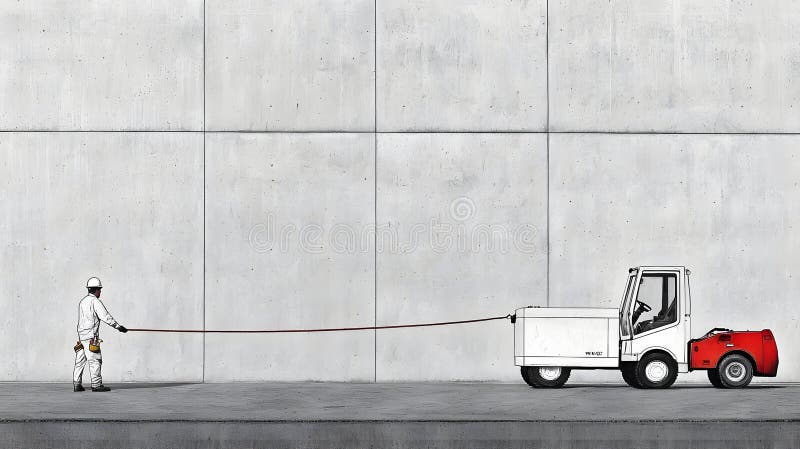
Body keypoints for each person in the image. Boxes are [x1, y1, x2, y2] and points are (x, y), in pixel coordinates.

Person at [73, 277, 128, 392]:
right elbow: (105, 316)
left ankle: (77, 384)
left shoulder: (83, 301)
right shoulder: (95, 302)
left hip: (82, 337)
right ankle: (96, 385)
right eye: (100, 290)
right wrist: (118, 326)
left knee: (80, 362)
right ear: (96, 290)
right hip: (91, 337)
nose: (100, 292)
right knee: (95, 360)